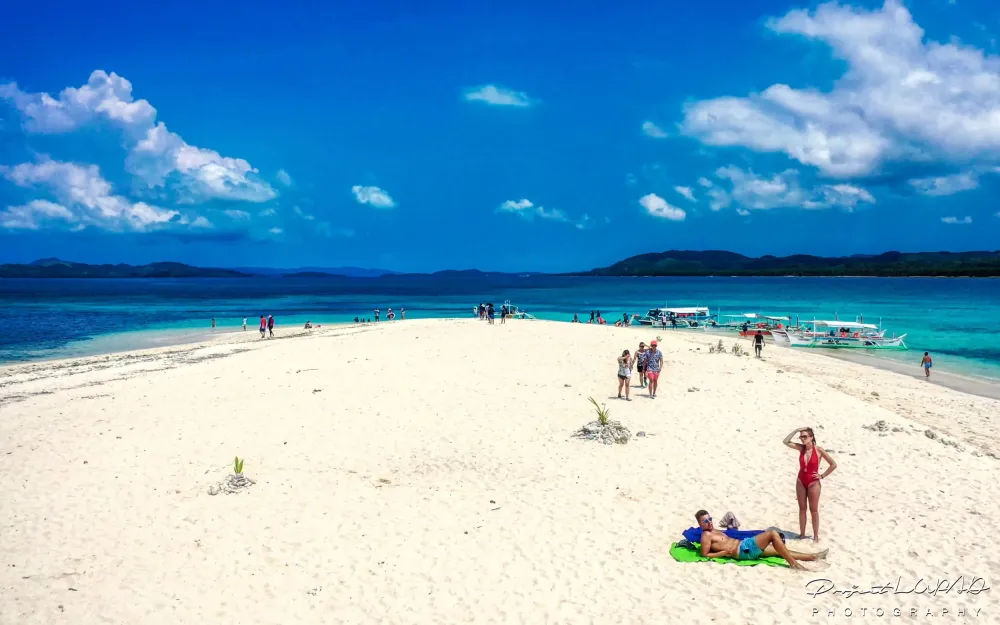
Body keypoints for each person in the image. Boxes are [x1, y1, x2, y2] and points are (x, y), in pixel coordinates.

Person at [694, 510, 825, 570]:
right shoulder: (706, 535)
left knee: (780, 550)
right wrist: (721, 553)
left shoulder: (713, 530)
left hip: (744, 546)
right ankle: (794, 564)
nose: (709, 522)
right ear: (700, 524)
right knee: (772, 534)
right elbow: (704, 554)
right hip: (743, 550)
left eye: (710, 519)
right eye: (705, 521)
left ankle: (813, 557)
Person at [783, 427, 837, 541]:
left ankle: (816, 536)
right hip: (801, 480)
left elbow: (833, 464)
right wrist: (796, 430)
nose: (802, 439)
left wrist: (822, 476)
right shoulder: (800, 448)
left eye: (805, 436)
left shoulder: (819, 450)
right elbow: (785, 441)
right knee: (802, 508)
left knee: (814, 510)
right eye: (801, 437)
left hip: (813, 482)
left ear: (811, 437)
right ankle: (802, 534)